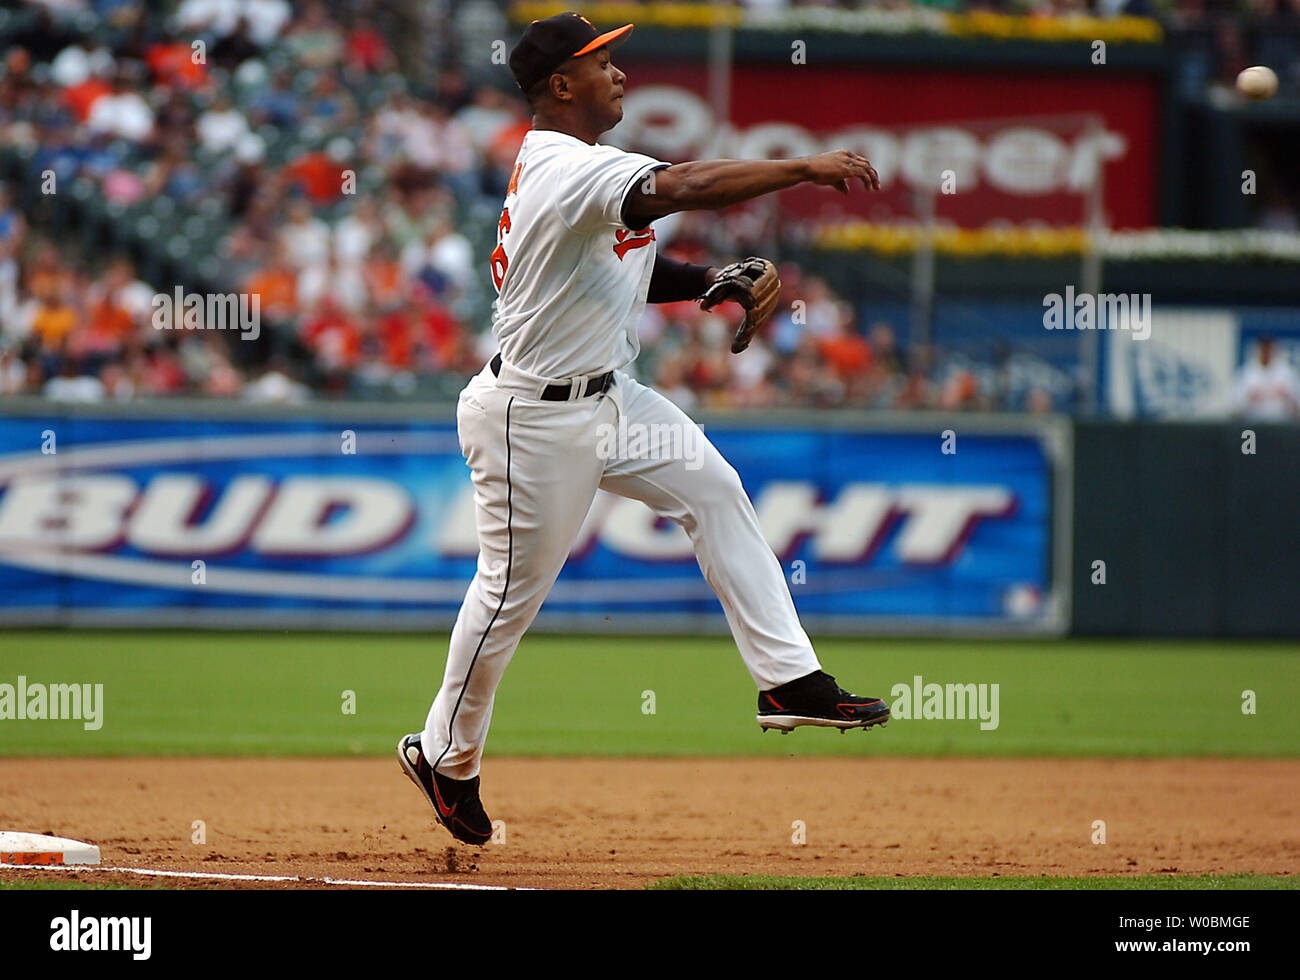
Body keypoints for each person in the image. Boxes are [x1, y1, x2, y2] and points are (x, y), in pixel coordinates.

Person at [398, 12, 888, 846]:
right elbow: (687, 185)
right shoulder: (563, 166)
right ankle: (444, 756)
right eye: (601, 62)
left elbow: (624, 257)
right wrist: (802, 166)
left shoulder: (580, 171)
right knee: (508, 599)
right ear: (560, 85)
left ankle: (788, 681)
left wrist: (709, 280)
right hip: (532, 419)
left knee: (716, 490)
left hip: (610, 401)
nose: (619, 73)